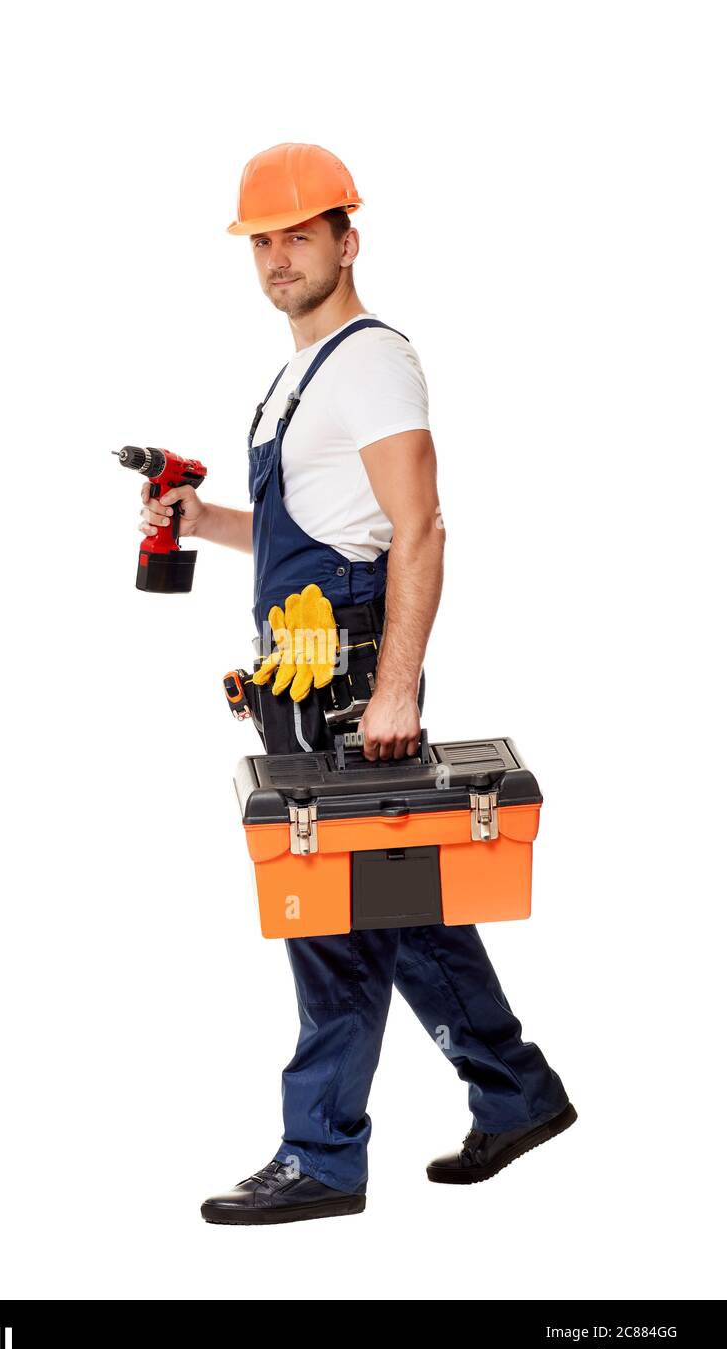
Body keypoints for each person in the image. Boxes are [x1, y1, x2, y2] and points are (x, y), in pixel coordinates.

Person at [139, 143, 576, 1225]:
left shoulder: (370, 360)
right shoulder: (298, 373)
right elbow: (330, 528)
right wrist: (200, 523)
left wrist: (393, 692)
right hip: (307, 668)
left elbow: (418, 527)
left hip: (344, 679)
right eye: (264, 241)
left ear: (347, 238)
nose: (280, 257)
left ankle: (321, 1155)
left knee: (329, 912)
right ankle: (514, 1089)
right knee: (397, 898)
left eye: (300, 235)